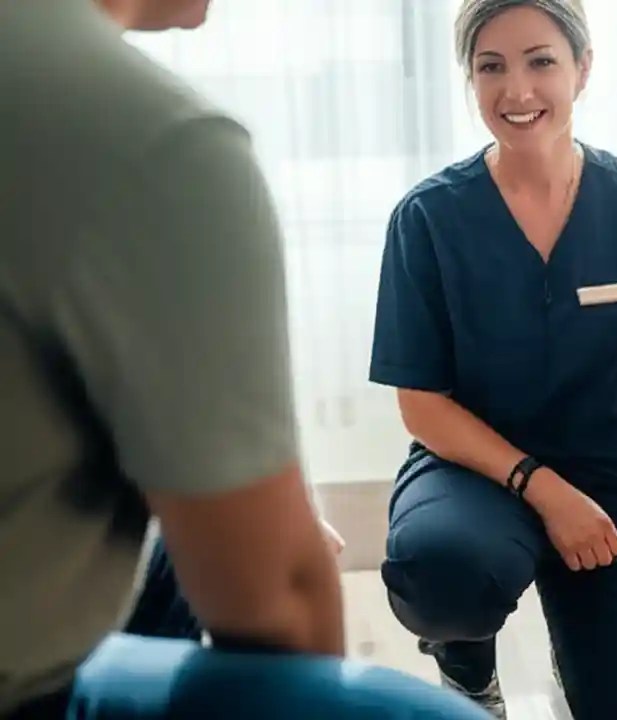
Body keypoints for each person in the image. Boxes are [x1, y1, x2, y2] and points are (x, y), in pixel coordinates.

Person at [0, 1, 488, 717]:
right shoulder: (149, 140)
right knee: (432, 715)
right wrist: (280, 547)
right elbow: (280, 599)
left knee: (169, 555)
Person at [370, 1, 617, 718]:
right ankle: (468, 672)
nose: (517, 91)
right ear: (468, 78)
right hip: (476, 471)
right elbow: (422, 403)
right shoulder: (429, 218)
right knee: (442, 572)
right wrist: (543, 488)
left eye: (541, 61)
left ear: (583, 69)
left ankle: (589, 654)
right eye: (491, 67)